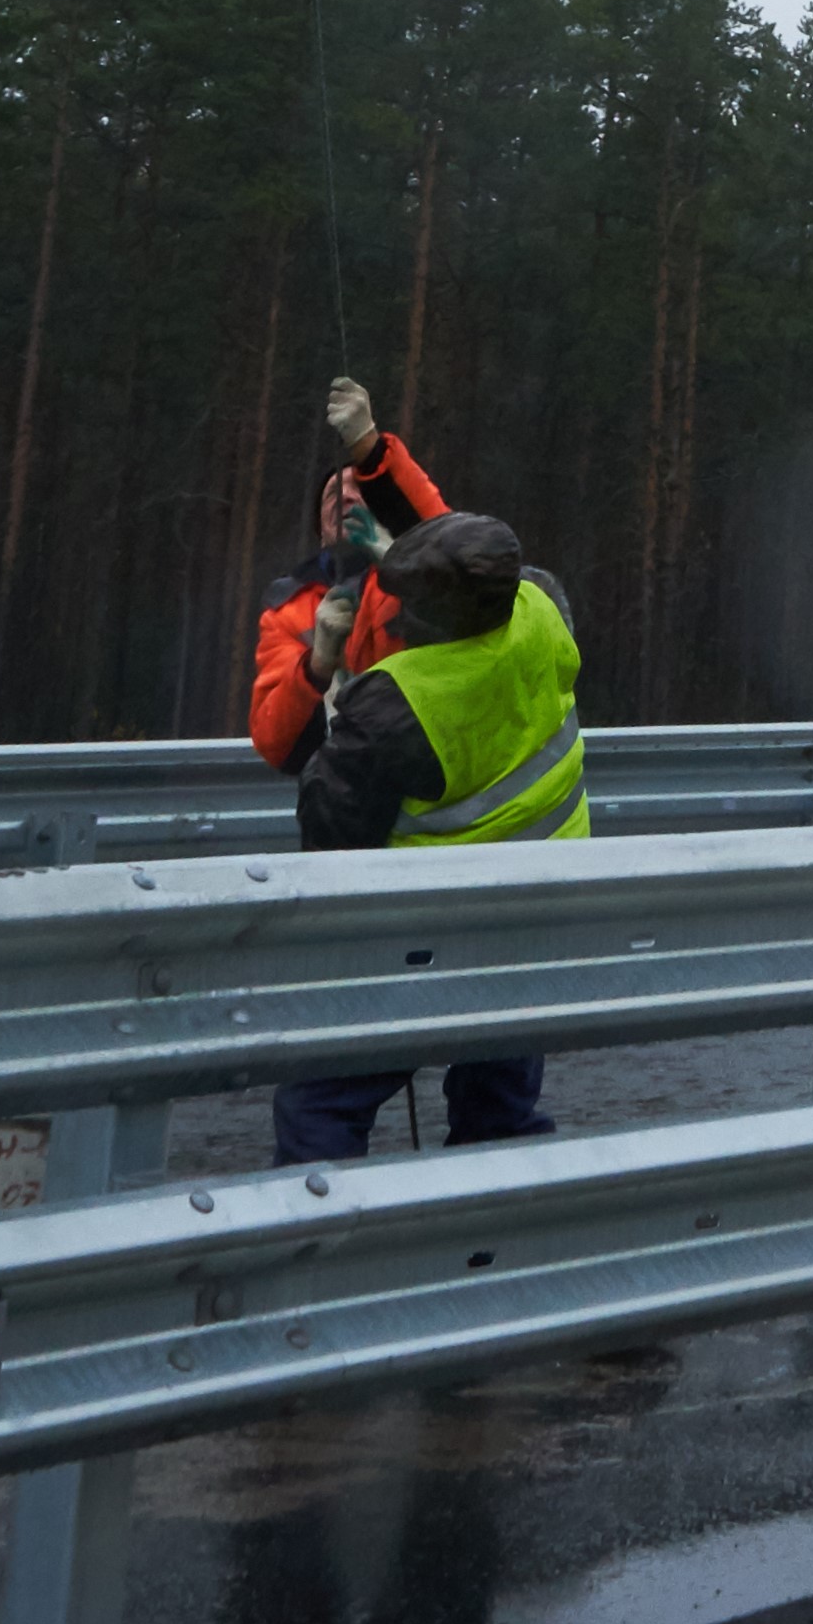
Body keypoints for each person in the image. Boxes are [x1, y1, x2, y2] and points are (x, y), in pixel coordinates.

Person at [273, 508, 588, 1167]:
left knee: (322, 1099)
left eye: (411, 604)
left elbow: (328, 833)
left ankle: (312, 1244)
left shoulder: (396, 705)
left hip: (426, 940)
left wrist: (330, 677)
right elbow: (518, 580)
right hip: (533, 921)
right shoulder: (541, 615)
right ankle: (491, 1245)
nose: (397, 617)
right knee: (498, 1109)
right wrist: (404, 552)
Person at [249, 377, 448, 773]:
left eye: (361, 491)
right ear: (319, 529)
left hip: (431, 771)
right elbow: (274, 741)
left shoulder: (423, 570)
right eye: (332, 494)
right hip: (344, 800)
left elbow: (450, 538)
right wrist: (315, 666)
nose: (347, 497)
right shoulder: (286, 611)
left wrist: (368, 447)